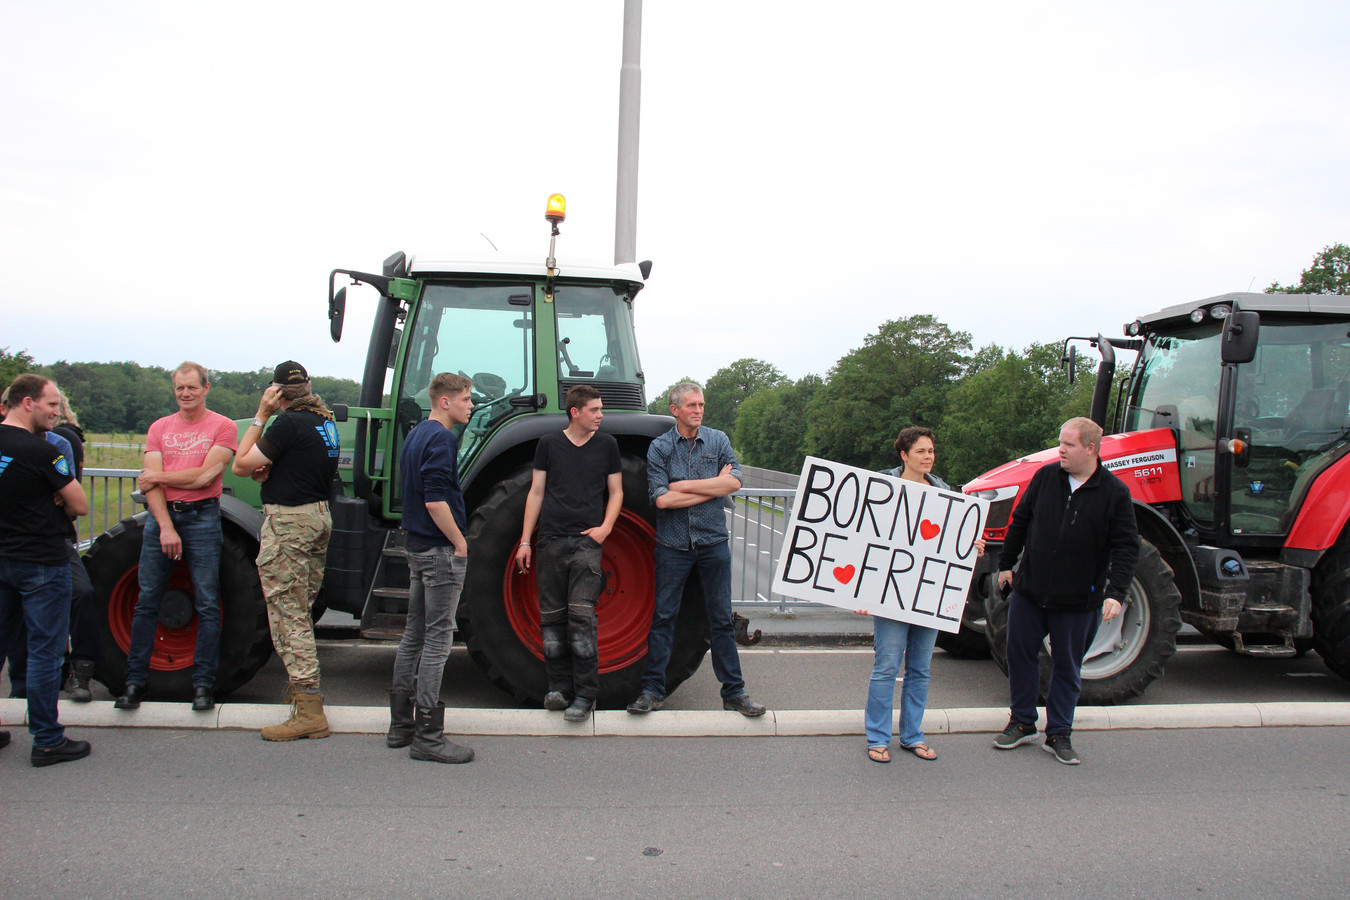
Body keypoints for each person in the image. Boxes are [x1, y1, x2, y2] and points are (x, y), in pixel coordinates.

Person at [993, 416, 1139, 765]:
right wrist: (1006, 564)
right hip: (1030, 592)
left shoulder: (1114, 493)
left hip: (1078, 601)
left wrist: (1115, 592)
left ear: (1089, 449)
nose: (1060, 449)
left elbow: (1126, 546)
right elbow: (1021, 521)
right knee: (1020, 654)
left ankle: (1059, 732)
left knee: (1067, 666)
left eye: (1068, 444)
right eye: (1060, 442)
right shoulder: (1045, 478)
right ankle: (1022, 721)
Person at [628, 382, 766, 717]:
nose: (699, 410)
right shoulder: (660, 447)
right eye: (691, 405)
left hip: (712, 543)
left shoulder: (718, 440)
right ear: (675, 409)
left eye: (701, 404)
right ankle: (652, 691)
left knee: (719, 620)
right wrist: (713, 488)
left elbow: (734, 481)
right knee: (663, 618)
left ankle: (734, 692)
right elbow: (663, 499)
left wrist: (686, 486)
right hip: (673, 546)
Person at [115, 362, 237, 712]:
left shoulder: (223, 427)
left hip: (203, 518)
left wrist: (160, 477)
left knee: (207, 602)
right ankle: (134, 683)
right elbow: (149, 484)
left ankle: (203, 686)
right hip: (162, 520)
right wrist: (165, 526)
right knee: (146, 601)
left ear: (206, 388)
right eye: (180, 388)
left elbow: (202, 479)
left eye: (192, 388)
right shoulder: (159, 428)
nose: (185, 394)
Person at [232, 360, 340, 741]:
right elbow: (298, 465)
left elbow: (241, 465)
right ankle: (302, 700)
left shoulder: (288, 423)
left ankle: (309, 709)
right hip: (317, 519)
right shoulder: (324, 423)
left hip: (290, 523)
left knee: (287, 613)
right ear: (308, 387)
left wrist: (261, 415)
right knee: (300, 609)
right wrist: (272, 469)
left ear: (277, 393)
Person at [863, 427, 984, 763]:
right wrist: (862, 592)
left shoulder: (944, 492)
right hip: (891, 594)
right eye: (921, 451)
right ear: (903, 455)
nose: (928, 456)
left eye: (931, 451)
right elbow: (865, 542)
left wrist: (972, 545)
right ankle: (877, 737)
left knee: (920, 669)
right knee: (886, 666)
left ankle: (913, 735)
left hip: (928, 597)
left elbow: (953, 540)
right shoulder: (882, 489)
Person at [515, 384, 623, 723]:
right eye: (594, 410)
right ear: (575, 412)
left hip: (585, 544)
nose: (601, 415)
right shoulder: (549, 444)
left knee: (581, 619)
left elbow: (616, 492)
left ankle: (586, 695)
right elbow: (536, 493)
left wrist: (604, 529)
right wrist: (524, 541)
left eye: (600, 409)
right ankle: (558, 690)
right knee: (552, 621)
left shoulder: (607, 445)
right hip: (549, 541)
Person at [0, 374, 92, 766]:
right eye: (51, 404)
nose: (57, 412)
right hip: (41, 561)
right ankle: (47, 739)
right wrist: (59, 488)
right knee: (44, 652)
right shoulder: (42, 452)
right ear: (27, 403)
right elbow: (80, 503)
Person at [387, 372, 475, 764]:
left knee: (413, 635)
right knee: (439, 641)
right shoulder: (441, 438)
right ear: (445, 401)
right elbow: (436, 501)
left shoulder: (417, 434)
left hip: (415, 546)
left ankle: (400, 725)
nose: (470, 406)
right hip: (439, 550)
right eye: (467, 399)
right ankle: (429, 735)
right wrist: (459, 542)